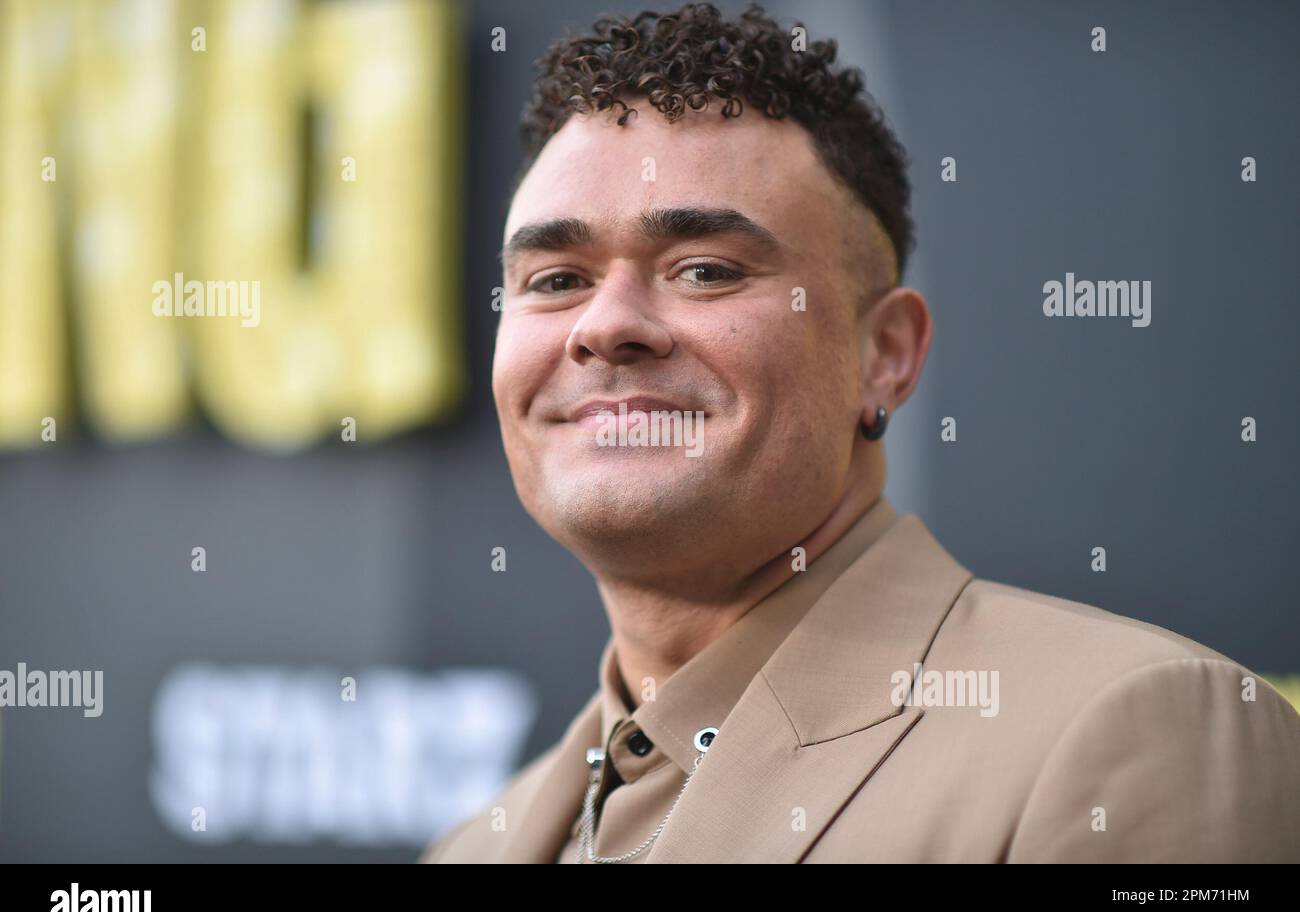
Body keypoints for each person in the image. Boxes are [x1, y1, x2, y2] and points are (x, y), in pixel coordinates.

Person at [424, 2, 1300, 863]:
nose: (604, 325)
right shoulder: (473, 843)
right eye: (554, 279)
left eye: (704, 269)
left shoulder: (1141, 730)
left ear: (884, 354)